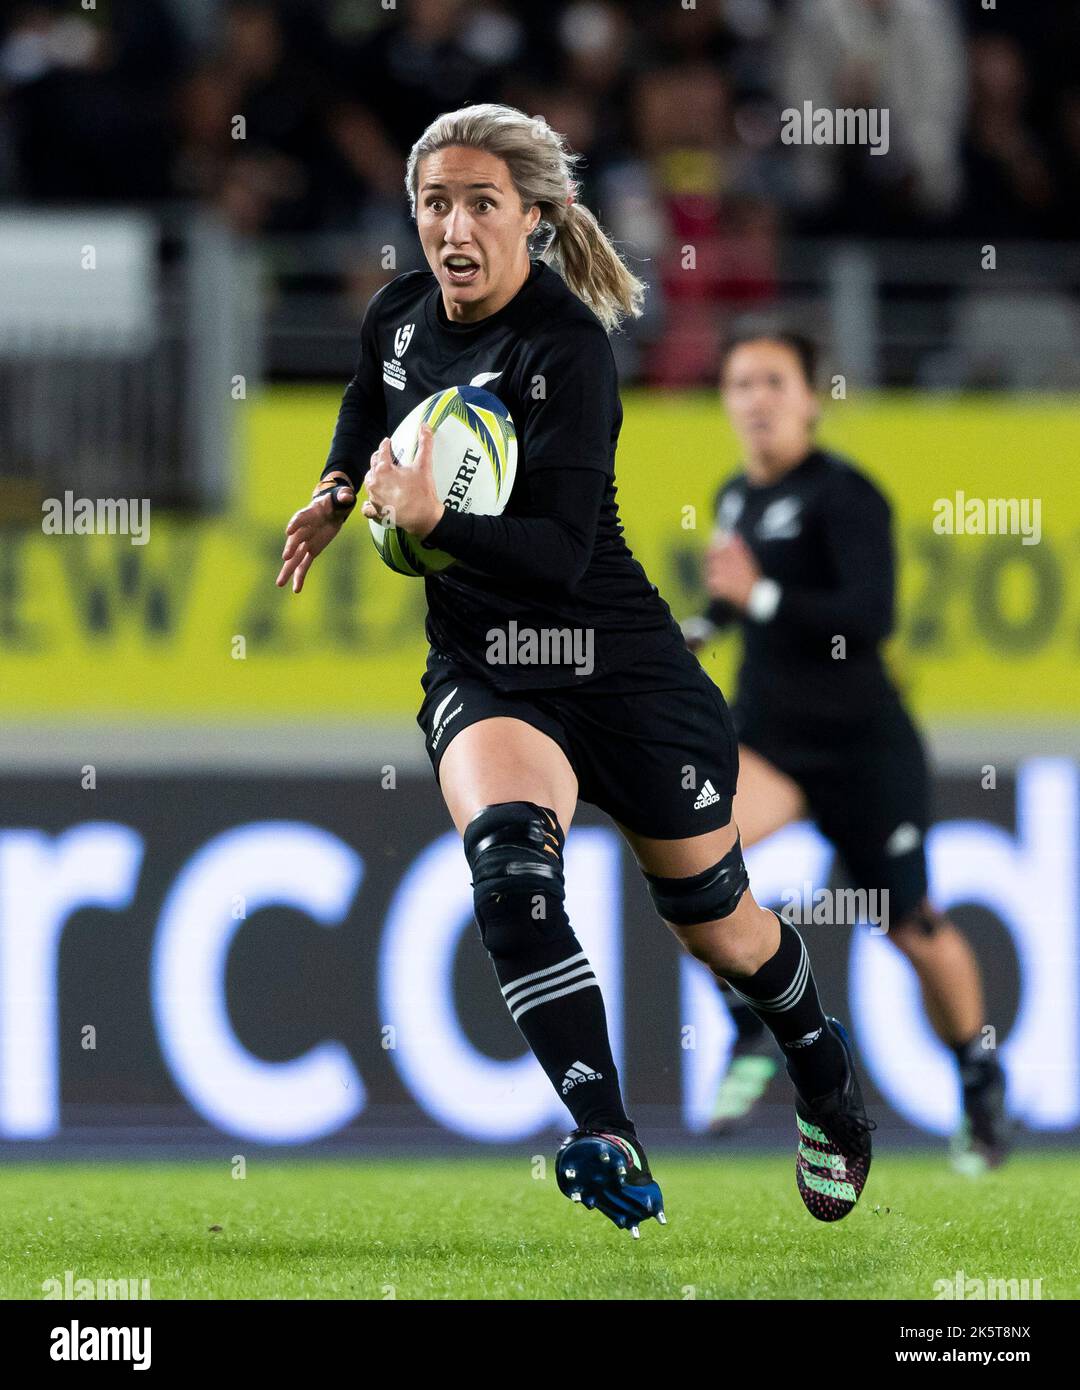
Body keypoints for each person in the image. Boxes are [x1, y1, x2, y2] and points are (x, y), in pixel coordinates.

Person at [276, 104, 873, 1232]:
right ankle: (607, 1132)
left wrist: (433, 512)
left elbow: (556, 558)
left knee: (720, 925)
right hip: (487, 667)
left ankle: (822, 1067)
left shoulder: (566, 351)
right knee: (509, 874)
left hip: (619, 669)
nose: (453, 227)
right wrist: (337, 487)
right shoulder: (398, 316)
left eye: (481, 204)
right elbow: (369, 404)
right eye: (435, 203)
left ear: (536, 219)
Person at [683, 327, 1009, 1171]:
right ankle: (753, 1026)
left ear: (808, 400)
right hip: (775, 744)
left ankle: (979, 1080)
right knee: (687, 859)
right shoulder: (734, 496)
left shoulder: (847, 496)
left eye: (773, 382)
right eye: (741, 382)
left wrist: (760, 597)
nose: (755, 398)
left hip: (864, 748)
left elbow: (870, 618)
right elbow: (735, 604)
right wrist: (699, 629)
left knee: (911, 925)